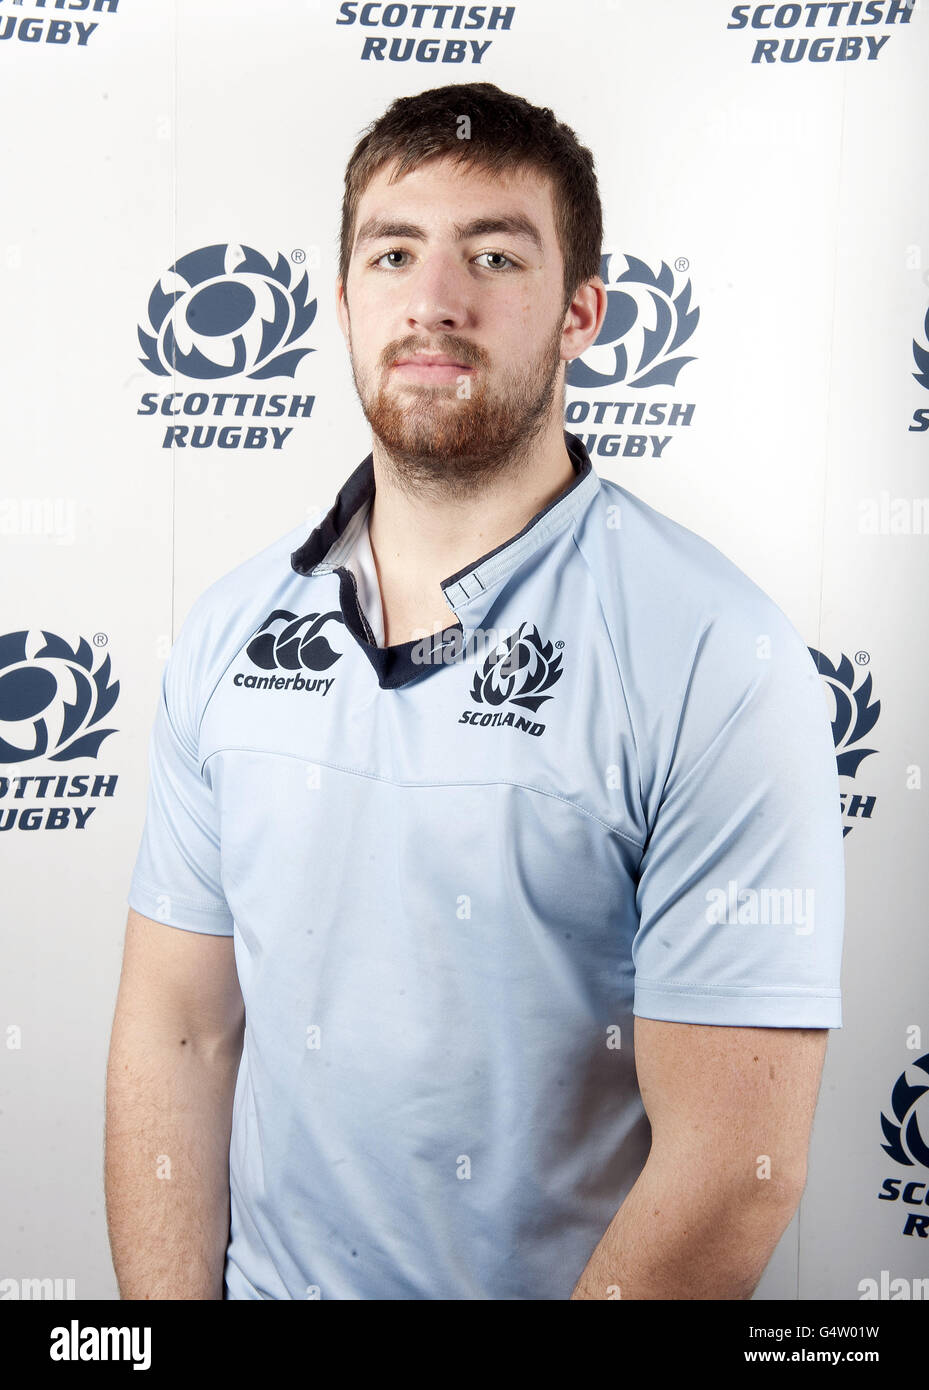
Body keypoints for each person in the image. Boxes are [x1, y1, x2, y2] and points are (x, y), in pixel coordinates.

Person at [105, 82, 845, 1301]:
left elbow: (733, 1170)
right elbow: (178, 1033)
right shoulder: (231, 629)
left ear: (579, 313)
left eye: (493, 254)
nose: (432, 302)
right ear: (342, 305)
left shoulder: (713, 653)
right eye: (393, 253)